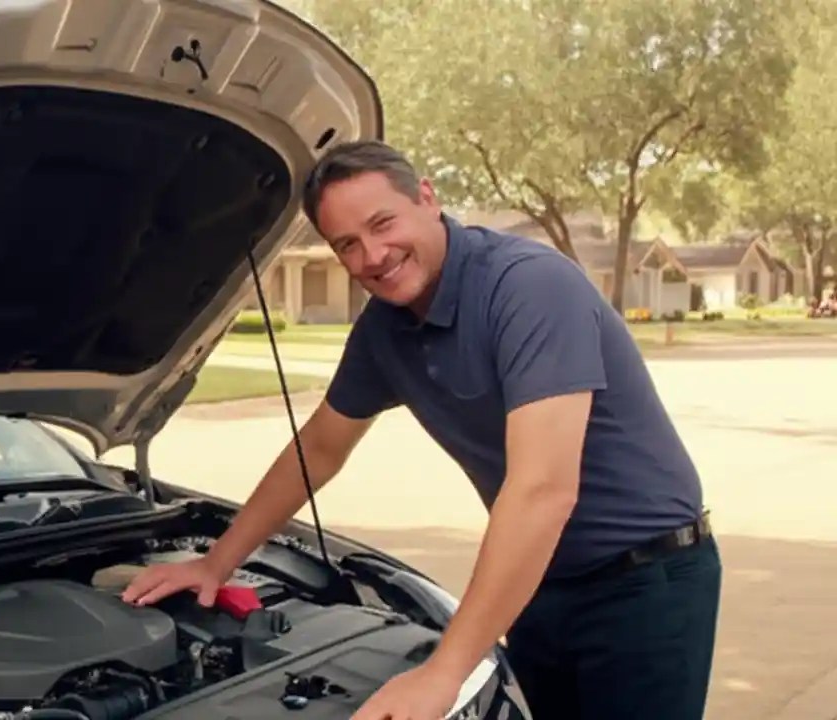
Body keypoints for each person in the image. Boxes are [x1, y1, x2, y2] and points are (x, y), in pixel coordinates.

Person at [121, 140, 722, 720]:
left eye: (384, 224)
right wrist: (216, 564)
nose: (373, 256)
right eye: (348, 245)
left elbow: (544, 490)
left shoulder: (528, 287)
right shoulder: (385, 331)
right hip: (540, 581)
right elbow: (319, 449)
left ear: (427, 198)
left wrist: (444, 671)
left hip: (647, 583)